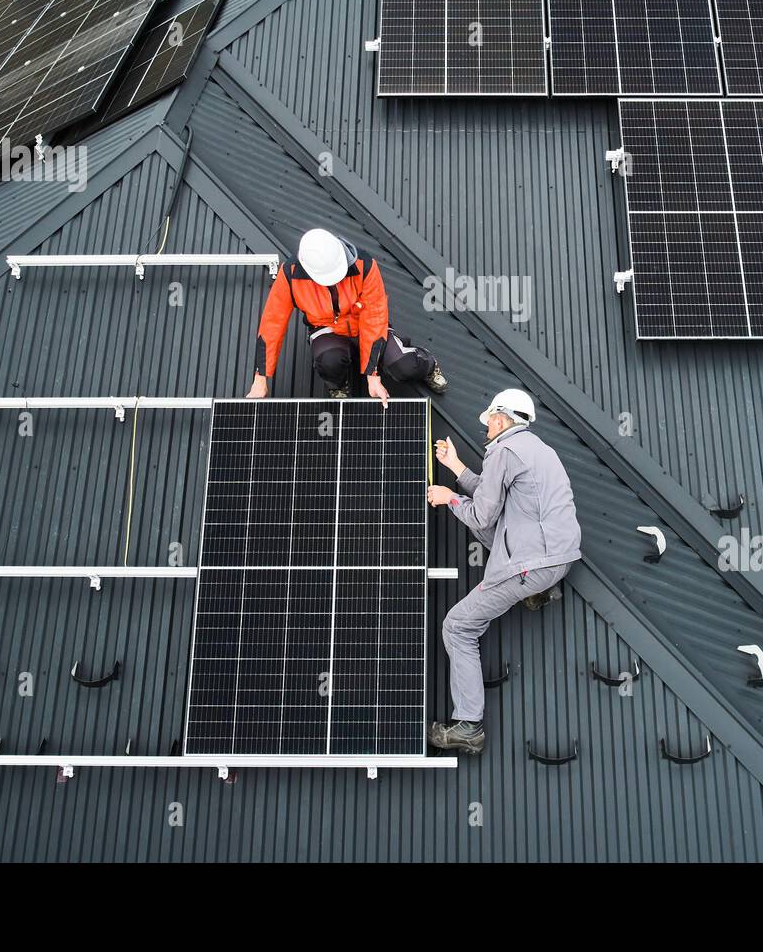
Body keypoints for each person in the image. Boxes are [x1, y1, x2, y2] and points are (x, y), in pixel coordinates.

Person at [425, 389, 582, 754]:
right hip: (560, 557)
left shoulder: (502, 450)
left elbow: (481, 513)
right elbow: (489, 502)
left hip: (530, 564)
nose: (487, 428)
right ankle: (541, 590)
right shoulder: (539, 449)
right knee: (484, 525)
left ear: (500, 418)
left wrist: (448, 498)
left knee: (458, 626)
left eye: (489, 420)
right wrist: (457, 469)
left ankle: (468, 725)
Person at [247, 228, 447, 404]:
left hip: (365, 326)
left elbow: (374, 317)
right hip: (327, 329)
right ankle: (338, 385)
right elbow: (272, 324)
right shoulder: (290, 274)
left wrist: (373, 375)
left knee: (404, 367)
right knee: (329, 361)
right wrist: (260, 378)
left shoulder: (365, 265)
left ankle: (428, 365)